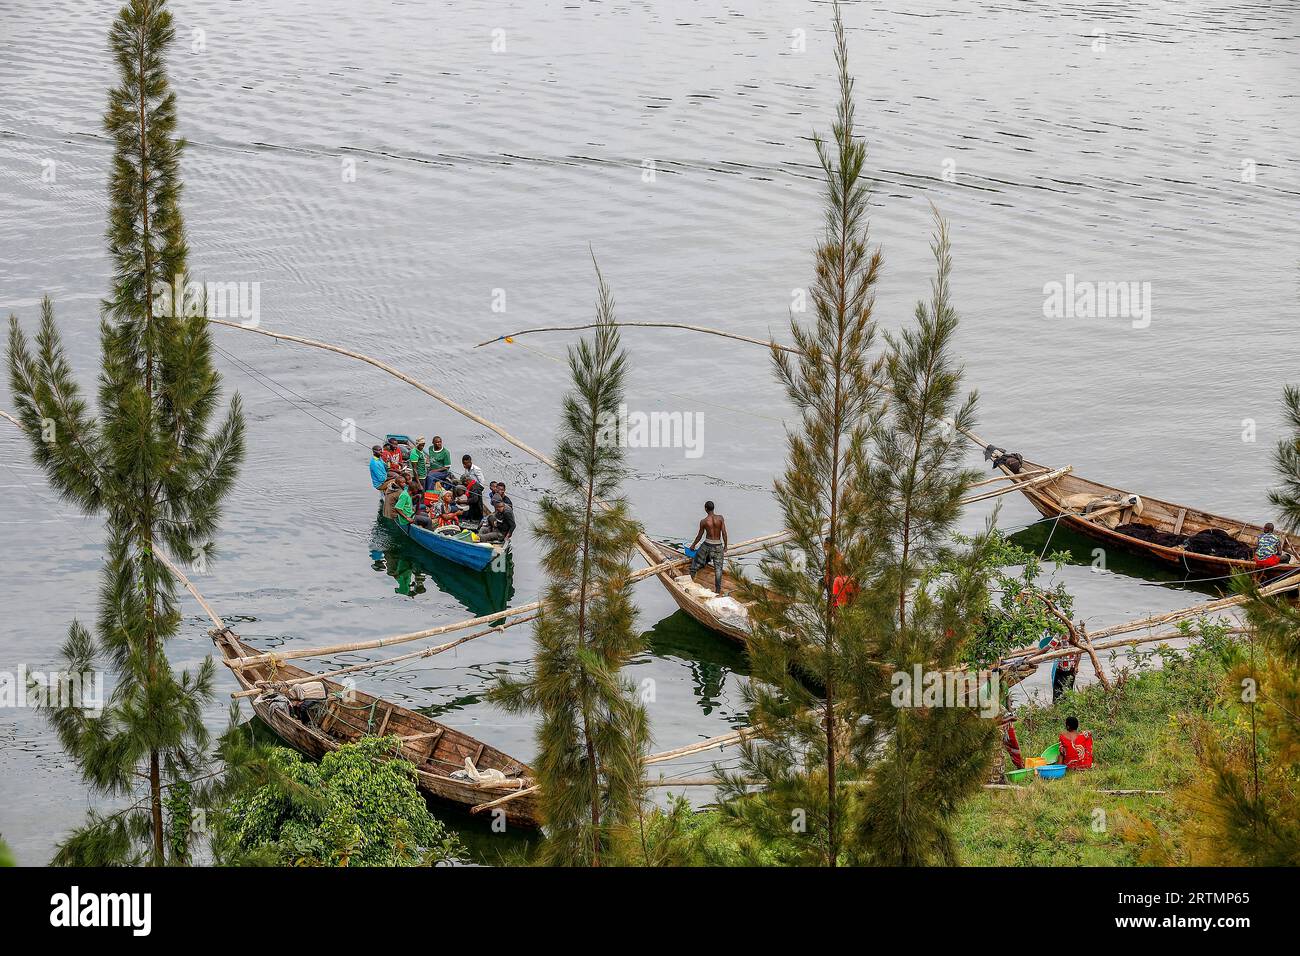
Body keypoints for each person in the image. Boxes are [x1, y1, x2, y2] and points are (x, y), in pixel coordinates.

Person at [688, 500, 728, 595]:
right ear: (713, 508)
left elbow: (699, 536)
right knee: (718, 569)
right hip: (718, 546)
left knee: (695, 564)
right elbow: (724, 533)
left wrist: (693, 545)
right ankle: (717, 591)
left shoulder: (704, 521)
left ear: (705, 509)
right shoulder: (720, 518)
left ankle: (689, 583)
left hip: (707, 545)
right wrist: (725, 546)